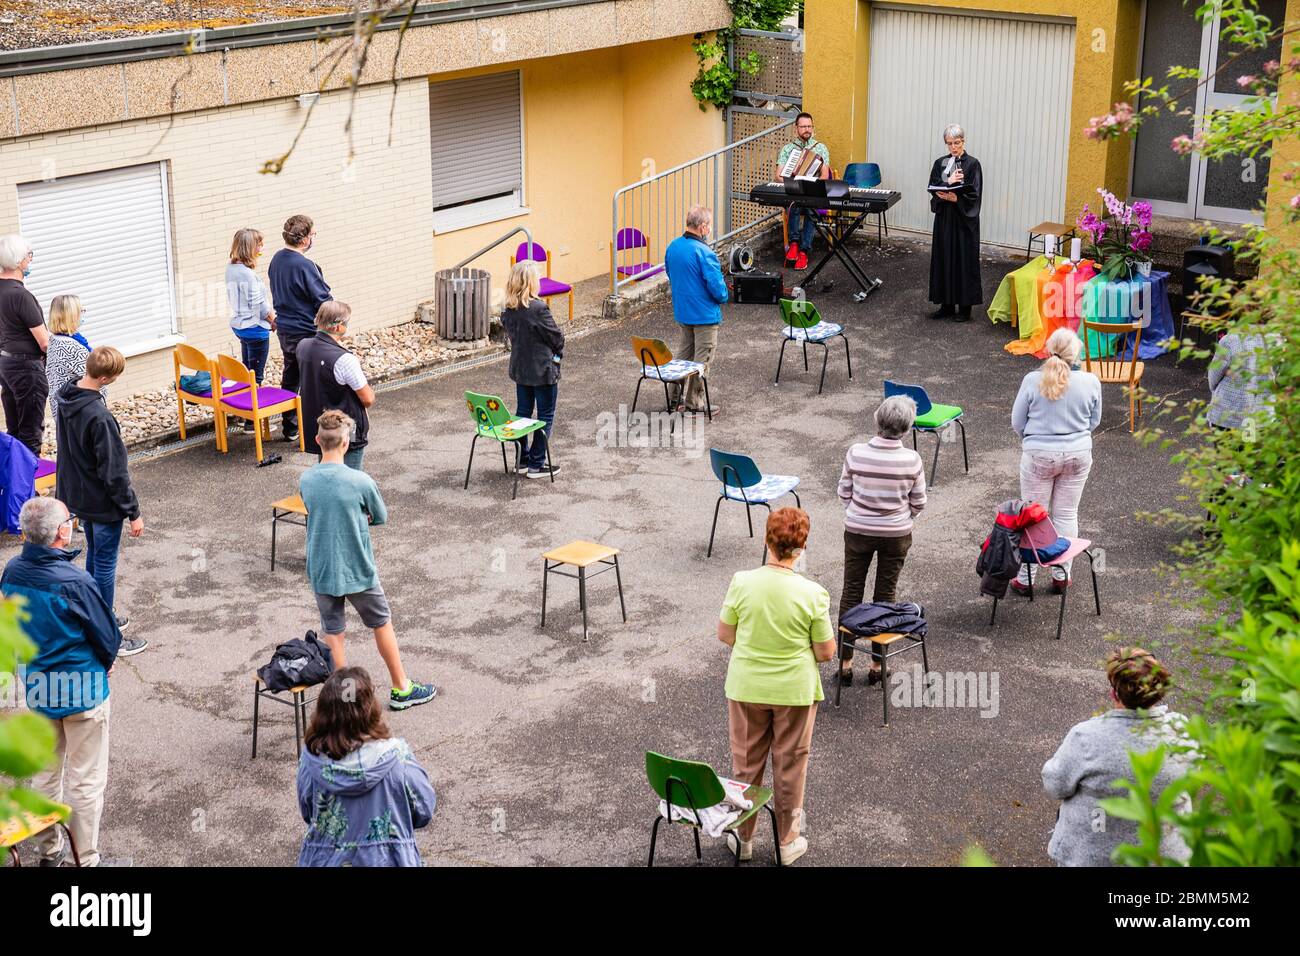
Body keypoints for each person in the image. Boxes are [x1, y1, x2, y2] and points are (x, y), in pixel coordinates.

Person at [2, 497, 131, 867]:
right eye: (70, 520)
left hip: (39, 690)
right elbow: (108, 636)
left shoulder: (11, 572)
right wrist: (105, 663)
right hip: (82, 692)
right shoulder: (76, 581)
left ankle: (50, 850)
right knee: (86, 781)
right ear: (62, 532)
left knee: (45, 773)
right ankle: (86, 860)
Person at [717, 507, 835, 865]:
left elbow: (726, 635)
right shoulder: (814, 593)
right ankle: (787, 842)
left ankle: (744, 838)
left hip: (746, 687)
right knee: (791, 767)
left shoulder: (742, 581)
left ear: (767, 540)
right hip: (794, 693)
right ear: (801, 547)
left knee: (746, 765)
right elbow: (826, 652)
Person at [299, 410, 435, 711]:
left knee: (334, 632)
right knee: (381, 622)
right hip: (357, 566)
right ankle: (401, 687)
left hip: (322, 568)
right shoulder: (360, 480)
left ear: (318, 440)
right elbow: (380, 516)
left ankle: (344, 701)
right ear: (346, 443)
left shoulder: (306, 480)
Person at [1042, 647, 1192, 866]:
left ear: (1114, 693)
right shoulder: (1181, 731)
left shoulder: (1086, 737)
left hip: (1093, 857)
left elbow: (1056, 785)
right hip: (1163, 856)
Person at [297, 667, 437, 867]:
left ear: (324, 714)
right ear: (370, 709)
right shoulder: (398, 758)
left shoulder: (311, 760)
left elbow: (307, 811)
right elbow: (424, 809)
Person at [54, 347, 146, 641]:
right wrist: (133, 512)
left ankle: (90, 611)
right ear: (105, 378)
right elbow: (114, 472)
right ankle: (104, 625)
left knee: (94, 556)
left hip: (78, 496)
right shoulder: (100, 417)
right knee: (104, 563)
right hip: (101, 502)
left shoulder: (66, 398)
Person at [836, 395, 927, 686]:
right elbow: (919, 501)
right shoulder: (912, 459)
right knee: (885, 596)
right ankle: (877, 664)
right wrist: (903, 517)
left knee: (851, 591)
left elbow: (843, 492)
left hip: (858, 530)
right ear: (907, 427)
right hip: (896, 534)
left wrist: (858, 511)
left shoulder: (856, 452)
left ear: (878, 420)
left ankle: (845, 662)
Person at [1011, 328, 1101, 594]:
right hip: (1078, 454)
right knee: (1066, 514)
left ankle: (1026, 579)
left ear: (1048, 350)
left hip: (1039, 454)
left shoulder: (1032, 380)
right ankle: (1062, 575)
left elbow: (1018, 422)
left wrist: (1031, 440)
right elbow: (1093, 422)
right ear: (1076, 354)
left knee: (1032, 517)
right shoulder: (1091, 381)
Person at [268, 215, 331, 443]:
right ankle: (313, 429)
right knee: (312, 380)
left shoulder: (276, 259)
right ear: (304, 239)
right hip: (306, 331)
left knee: (291, 376)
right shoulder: (306, 266)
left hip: (285, 329)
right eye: (313, 234)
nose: (314, 238)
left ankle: (290, 426)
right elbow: (323, 300)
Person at [500, 261, 564, 479]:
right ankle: (537, 464)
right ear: (530, 282)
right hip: (542, 370)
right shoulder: (538, 309)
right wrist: (557, 355)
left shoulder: (508, 309)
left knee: (523, 414)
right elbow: (556, 337)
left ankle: (523, 460)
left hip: (521, 369)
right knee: (545, 415)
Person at [663, 205, 727, 416]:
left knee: (682, 357)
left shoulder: (673, 247)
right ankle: (694, 403)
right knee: (702, 360)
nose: (710, 230)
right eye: (709, 226)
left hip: (683, 311)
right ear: (702, 227)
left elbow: (671, 274)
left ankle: (673, 399)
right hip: (704, 315)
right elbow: (717, 288)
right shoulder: (705, 252)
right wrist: (724, 297)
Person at [297, 301, 372, 471]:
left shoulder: (303, 346)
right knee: (349, 478)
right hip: (345, 428)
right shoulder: (344, 359)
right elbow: (367, 398)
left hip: (321, 426)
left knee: (326, 470)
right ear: (338, 327)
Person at [0, 233, 50, 457]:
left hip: (6, 365)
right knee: (30, 430)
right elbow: (44, 342)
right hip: (26, 368)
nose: (30, 260)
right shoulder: (21, 296)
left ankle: (13, 481)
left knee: (15, 428)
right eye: (29, 256)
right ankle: (28, 487)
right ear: (19, 260)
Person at [928, 124, 984, 322]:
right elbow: (933, 186)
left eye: (957, 143)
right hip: (945, 219)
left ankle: (965, 308)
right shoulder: (940, 163)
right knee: (945, 258)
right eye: (950, 144)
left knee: (963, 260)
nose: (953, 147)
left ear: (964, 141)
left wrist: (957, 200)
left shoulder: (973, 164)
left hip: (963, 221)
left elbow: (975, 195)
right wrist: (947, 185)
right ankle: (946, 304)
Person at [227, 228, 277, 433]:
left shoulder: (231, 267)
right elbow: (259, 305)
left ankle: (244, 415)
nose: (262, 248)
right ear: (250, 247)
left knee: (246, 371)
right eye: (259, 244)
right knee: (256, 376)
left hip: (241, 327)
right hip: (254, 328)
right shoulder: (246, 274)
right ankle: (251, 423)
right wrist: (274, 321)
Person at [774, 112, 831, 271]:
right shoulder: (788, 149)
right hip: (795, 192)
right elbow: (778, 176)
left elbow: (825, 175)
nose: (807, 129)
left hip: (813, 192)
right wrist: (792, 179)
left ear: (813, 127)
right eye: (803, 126)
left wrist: (810, 182)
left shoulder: (820, 148)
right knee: (795, 204)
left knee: (811, 209)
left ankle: (804, 250)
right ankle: (793, 243)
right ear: (796, 128)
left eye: (809, 126)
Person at [45, 294, 104, 438]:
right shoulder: (70, 346)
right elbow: (94, 379)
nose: (83, 314)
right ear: (71, 315)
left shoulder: (55, 340)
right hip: (78, 412)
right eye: (81, 310)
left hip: (65, 409)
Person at [1206, 326, 1276, 432]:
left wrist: (1214, 391)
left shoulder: (1230, 340)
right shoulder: (1276, 342)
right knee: (1252, 447)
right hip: (1260, 414)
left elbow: (1214, 375)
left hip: (1226, 411)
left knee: (1224, 447)